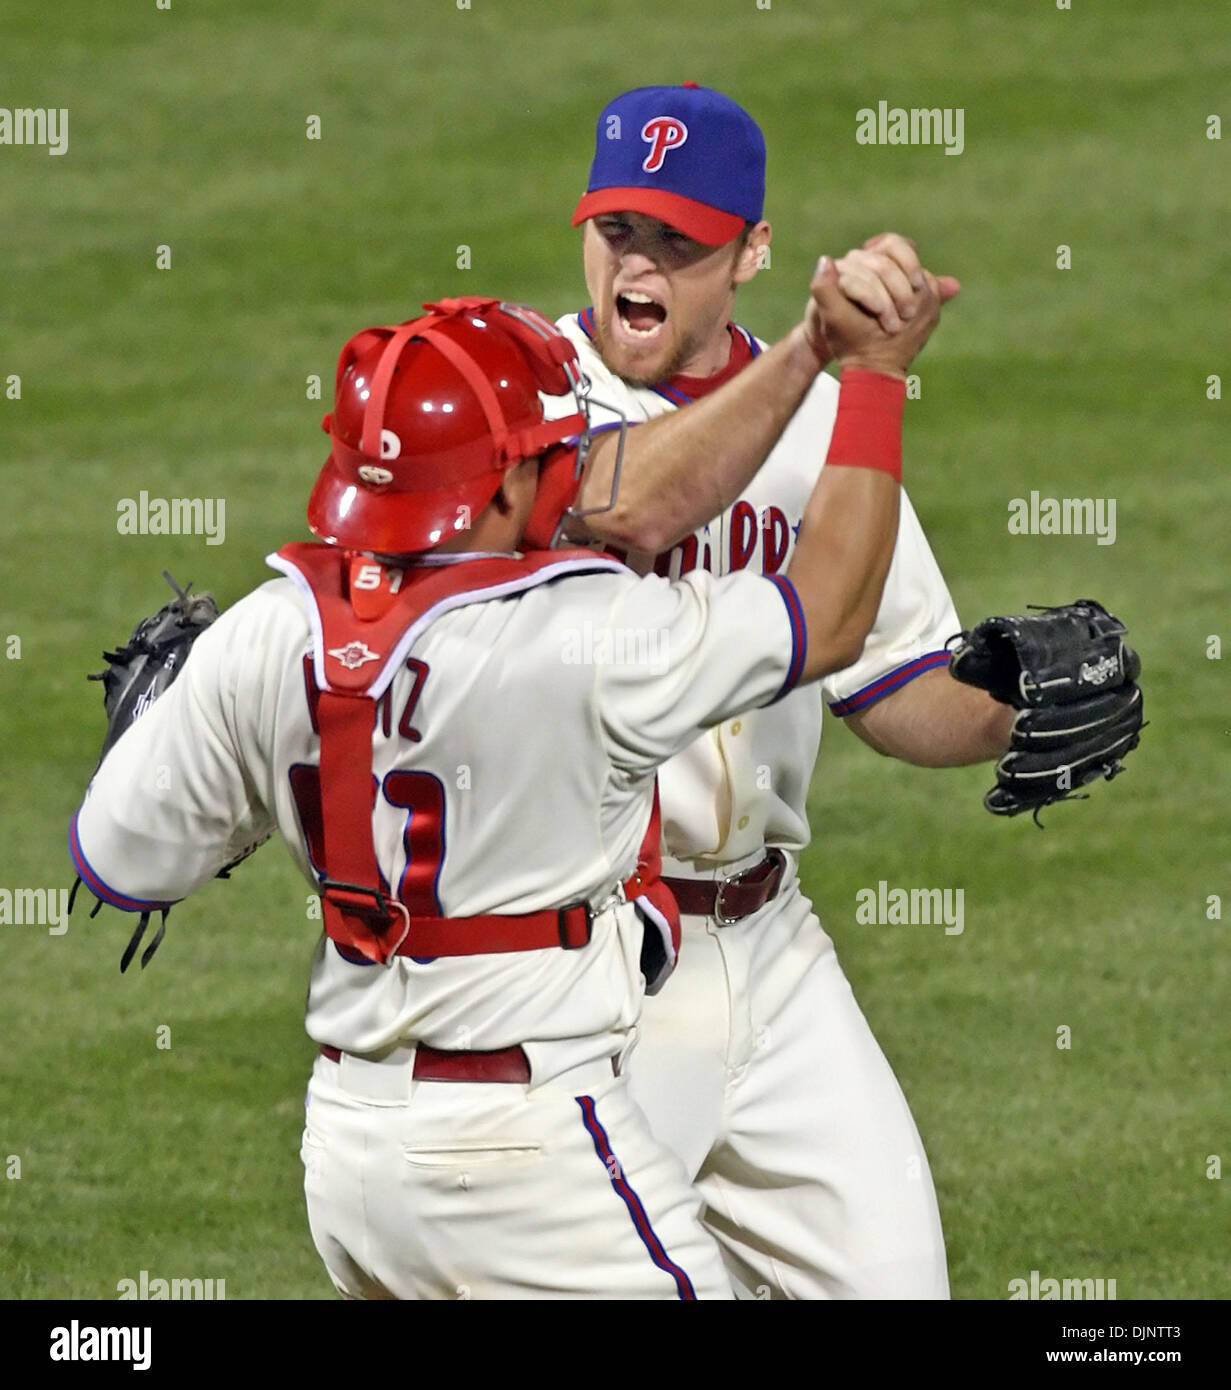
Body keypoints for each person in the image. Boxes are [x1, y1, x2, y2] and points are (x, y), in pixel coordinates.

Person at [68, 275, 948, 1299]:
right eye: (545, 457)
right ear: (494, 488)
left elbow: (119, 861)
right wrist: (876, 376)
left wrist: (231, 760)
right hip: (524, 1156)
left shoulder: (267, 632)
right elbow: (831, 615)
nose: (565, 475)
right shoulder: (581, 635)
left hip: (351, 1156)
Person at [545, 82, 1015, 1299]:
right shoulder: (525, 397)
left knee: (896, 1280)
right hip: (589, 963)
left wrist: (1013, 711)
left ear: (752, 252)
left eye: (679, 243)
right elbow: (630, 506)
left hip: (769, 940)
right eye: (618, 231)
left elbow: (894, 676)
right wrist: (835, 356)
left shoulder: (826, 419)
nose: (637, 265)